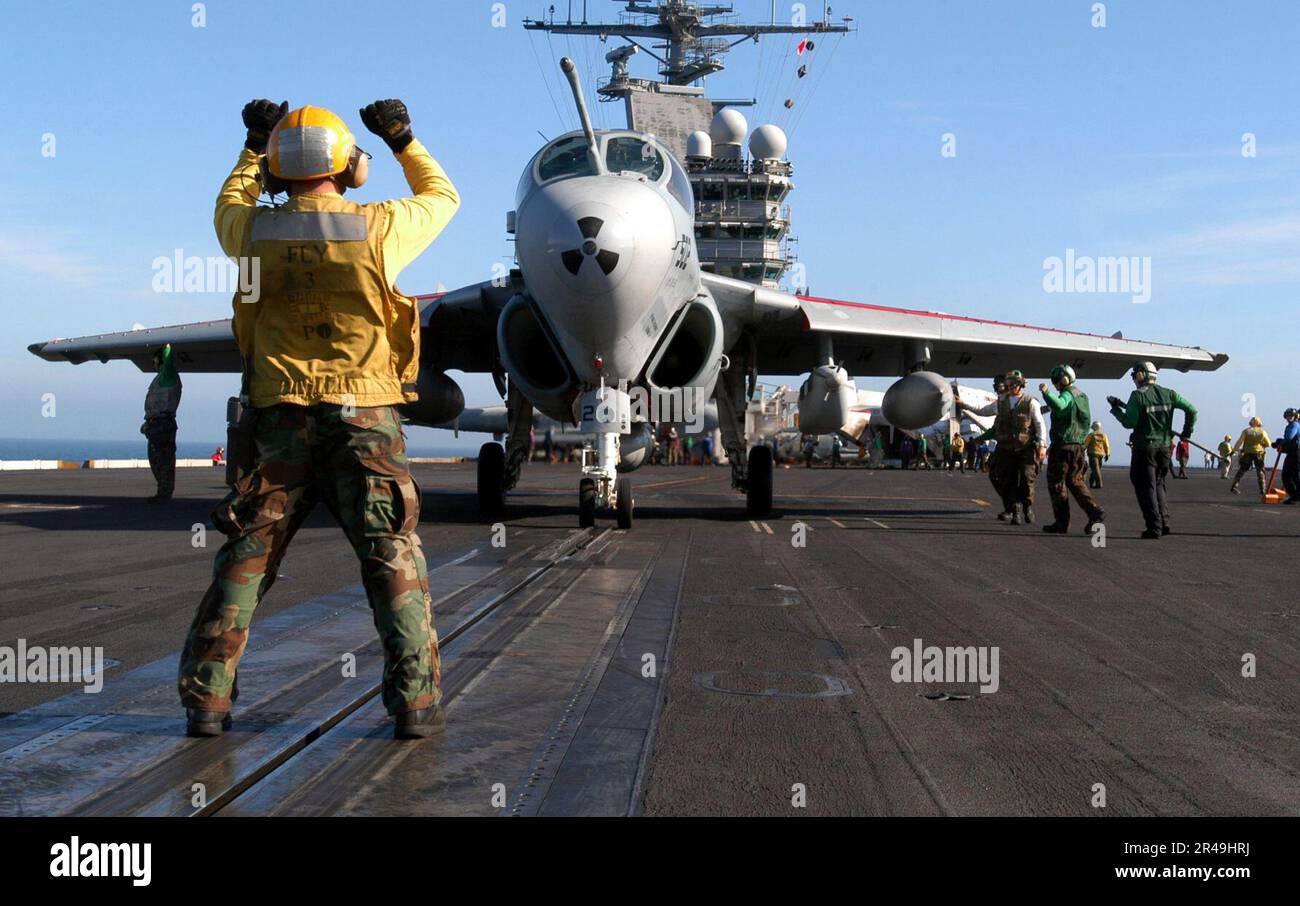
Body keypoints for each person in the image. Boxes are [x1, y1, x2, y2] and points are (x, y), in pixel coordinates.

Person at [178, 98, 460, 740]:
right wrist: (404, 140)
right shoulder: (379, 227)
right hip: (364, 417)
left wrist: (252, 149)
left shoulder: (250, 231)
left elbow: (227, 203)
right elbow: (442, 196)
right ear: (349, 166)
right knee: (391, 553)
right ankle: (414, 704)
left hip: (278, 415)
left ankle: (207, 702)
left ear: (277, 173)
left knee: (248, 555)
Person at [1107, 361, 1196, 539]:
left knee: (1144, 486)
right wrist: (1186, 432)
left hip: (1144, 449)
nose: (1133, 378)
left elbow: (1129, 422)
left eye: (1134, 375)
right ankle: (1164, 522)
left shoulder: (1137, 396)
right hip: (1164, 449)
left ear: (1142, 374)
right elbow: (1192, 410)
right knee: (1159, 484)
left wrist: (1115, 410)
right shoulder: (1169, 394)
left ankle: (1154, 527)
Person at [959, 370, 1045, 524]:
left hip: (1025, 447)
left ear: (1020, 385)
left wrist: (1042, 445)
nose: (1010, 386)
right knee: (1007, 479)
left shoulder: (1030, 402)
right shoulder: (1001, 402)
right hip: (1006, 448)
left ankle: (1027, 506)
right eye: (1009, 384)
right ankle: (1015, 511)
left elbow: (1039, 424)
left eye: (1014, 384)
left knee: (1027, 479)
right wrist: (963, 403)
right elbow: (982, 410)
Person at [1038, 366, 1104, 535]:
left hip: (1063, 446)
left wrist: (1046, 393)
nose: (1055, 384)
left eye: (1056, 381)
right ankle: (1094, 511)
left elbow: (1059, 405)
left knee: (1057, 483)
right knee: (1075, 481)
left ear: (1065, 378)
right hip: (1078, 446)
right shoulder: (1082, 396)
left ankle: (1061, 523)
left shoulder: (1067, 394)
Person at [141, 344, 183, 502]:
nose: (154, 363)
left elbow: (169, 358)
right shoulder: (160, 378)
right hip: (155, 423)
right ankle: (162, 491)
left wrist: (166, 345)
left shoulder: (168, 374)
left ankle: (165, 493)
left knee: (164, 460)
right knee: (155, 459)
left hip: (163, 424)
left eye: (155, 360)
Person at [1228, 417, 1271, 496]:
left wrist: (1233, 451)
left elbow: (1239, 442)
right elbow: (1268, 443)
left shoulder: (1246, 431)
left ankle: (1234, 486)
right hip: (1259, 453)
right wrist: (1262, 445)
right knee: (1260, 471)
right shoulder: (1263, 432)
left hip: (1247, 453)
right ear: (1259, 423)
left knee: (1242, 470)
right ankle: (1263, 489)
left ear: (1251, 422)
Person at [1278, 408, 1300, 504]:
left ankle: (1295, 496)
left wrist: (1280, 441)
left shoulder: (1294, 425)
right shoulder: (1293, 425)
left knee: (1294, 476)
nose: (1289, 417)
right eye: (1288, 416)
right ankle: (1295, 496)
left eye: (1291, 415)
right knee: (1287, 475)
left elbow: (1289, 437)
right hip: (1292, 453)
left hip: (1295, 453)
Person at [1083, 422, 1109, 488]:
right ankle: (1092, 483)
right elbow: (1107, 445)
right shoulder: (1104, 435)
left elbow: (1085, 444)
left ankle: (1099, 483)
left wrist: (1081, 450)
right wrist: (1107, 454)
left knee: (1095, 469)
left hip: (1092, 453)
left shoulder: (1091, 435)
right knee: (1096, 468)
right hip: (1101, 454)